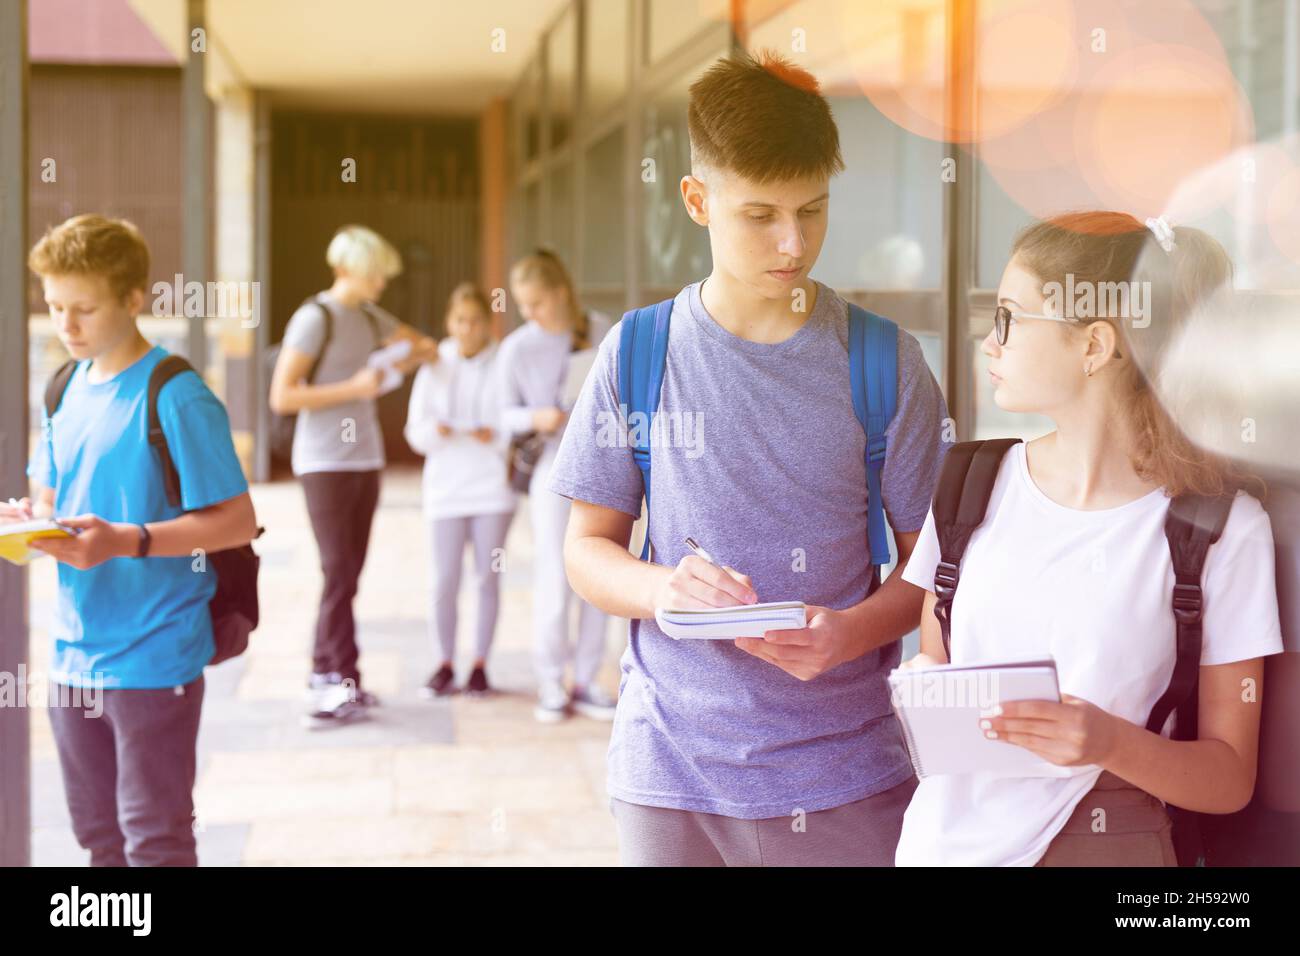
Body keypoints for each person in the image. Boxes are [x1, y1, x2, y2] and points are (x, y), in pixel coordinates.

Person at [547, 51, 951, 865]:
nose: (793, 243)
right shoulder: (638, 354)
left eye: (813, 209)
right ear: (697, 201)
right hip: (669, 776)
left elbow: (933, 569)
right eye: (760, 214)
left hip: (849, 777)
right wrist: (665, 587)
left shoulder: (885, 362)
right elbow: (586, 551)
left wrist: (850, 633)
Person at [895, 211, 1285, 866]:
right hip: (939, 848)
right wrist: (926, 692)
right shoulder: (967, 483)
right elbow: (939, 669)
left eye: (1011, 319)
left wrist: (1107, 742)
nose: (989, 343)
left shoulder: (1222, 530)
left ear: (1095, 345)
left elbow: (1229, 780)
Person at [1, 214, 259, 866]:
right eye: (55, 306)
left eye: (83, 308)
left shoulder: (176, 394)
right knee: (99, 841)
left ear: (134, 298)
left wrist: (126, 540)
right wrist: (30, 523)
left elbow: (236, 520)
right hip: (71, 654)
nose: (66, 324)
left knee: (156, 841)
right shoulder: (60, 388)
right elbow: (57, 501)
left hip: (154, 654)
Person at [269, 225, 437, 728]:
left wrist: (400, 359)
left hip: (365, 460)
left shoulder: (368, 315)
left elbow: (421, 345)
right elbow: (284, 396)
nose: (382, 284)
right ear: (346, 270)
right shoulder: (314, 318)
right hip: (324, 462)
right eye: (374, 275)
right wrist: (355, 386)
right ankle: (324, 679)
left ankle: (345, 676)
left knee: (350, 574)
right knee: (337, 571)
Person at [497, 248, 617, 723]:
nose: (529, 314)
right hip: (551, 470)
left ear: (561, 292)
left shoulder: (600, 328)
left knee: (603, 569)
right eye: (522, 305)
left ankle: (587, 679)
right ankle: (550, 680)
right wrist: (536, 416)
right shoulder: (517, 348)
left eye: (537, 302)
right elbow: (500, 413)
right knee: (556, 573)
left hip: (604, 467)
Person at [404, 282, 516, 697]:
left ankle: (481, 664)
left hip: (492, 489)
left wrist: (497, 433)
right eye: (460, 320)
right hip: (445, 489)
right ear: (449, 322)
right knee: (443, 580)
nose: (468, 328)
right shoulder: (435, 363)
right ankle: (444, 662)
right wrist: (438, 430)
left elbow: (513, 421)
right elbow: (414, 432)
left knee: (487, 577)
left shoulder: (505, 359)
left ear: (487, 322)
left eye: (475, 320)